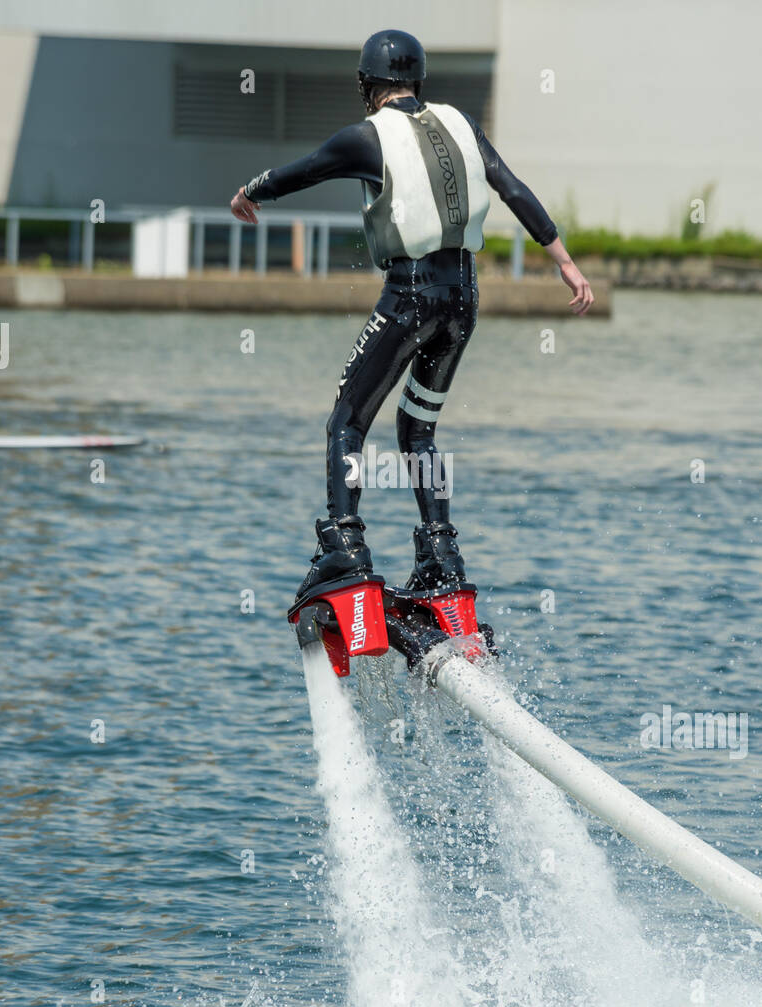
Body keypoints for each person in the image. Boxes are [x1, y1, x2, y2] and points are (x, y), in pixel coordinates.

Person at [230, 29, 593, 601]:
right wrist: (565, 263)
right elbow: (514, 189)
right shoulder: (462, 125)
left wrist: (249, 191)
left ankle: (344, 549)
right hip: (465, 300)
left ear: (366, 86)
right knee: (417, 429)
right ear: (417, 82)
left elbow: (302, 171)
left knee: (347, 421)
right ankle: (440, 555)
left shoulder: (366, 137)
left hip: (411, 295)